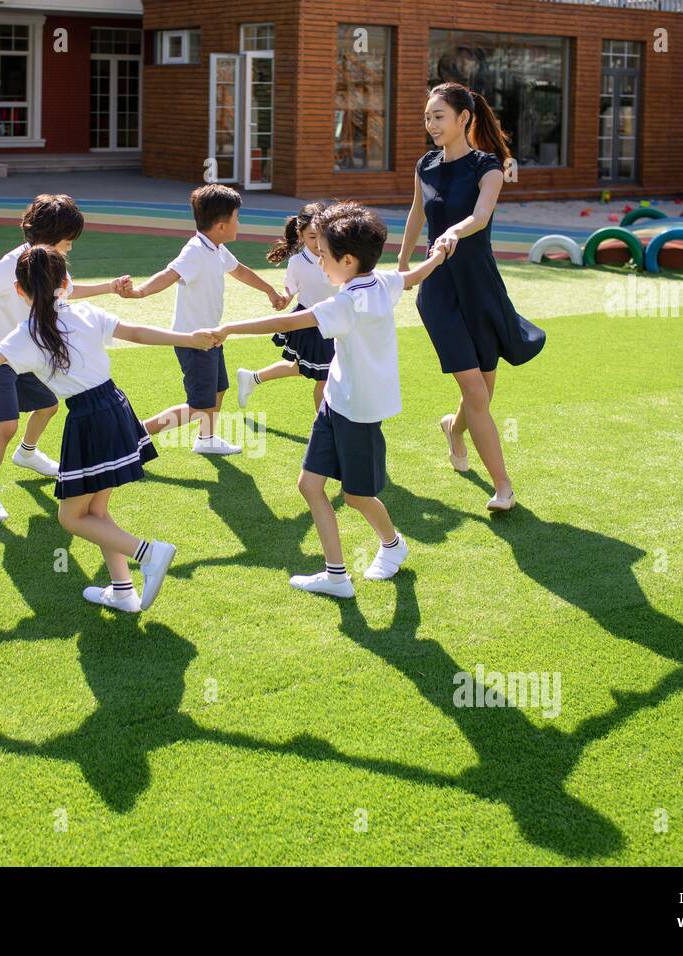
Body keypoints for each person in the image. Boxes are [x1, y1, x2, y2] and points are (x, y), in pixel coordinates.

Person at [0, 245, 218, 613]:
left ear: (19, 290)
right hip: (115, 405)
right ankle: (123, 591)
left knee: (70, 516)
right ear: (66, 283)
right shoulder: (85, 314)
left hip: (89, 421)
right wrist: (189, 339)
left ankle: (149, 553)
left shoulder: (25, 335)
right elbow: (138, 332)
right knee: (95, 510)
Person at [211, 202, 446, 598]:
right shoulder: (384, 282)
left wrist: (230, 327)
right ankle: (336, 575)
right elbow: (415, 275)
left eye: (324, 257)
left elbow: (286, 321)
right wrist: (439, 253)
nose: (320, 264)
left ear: (349, 260)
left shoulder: (346, 303)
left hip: (359, 409)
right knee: (310, 485)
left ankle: (393, 545)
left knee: (356, 496)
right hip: (336, 401)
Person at [0, 194, 128, 520]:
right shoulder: (18, 262)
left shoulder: (51, 264)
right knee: (6, 425)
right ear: (51, 236)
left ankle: (27, 453)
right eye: (68, 240)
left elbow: (69, 291)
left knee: (49, 405)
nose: (71, 247)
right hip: (2, 355)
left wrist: (110, 287)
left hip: (33, 353)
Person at [398, 81, 545, 511]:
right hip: (439, 291)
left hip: (481, 287)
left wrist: (453, 231)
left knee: (482, 391)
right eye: (427, 117)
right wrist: (404, 263)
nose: (431, 124)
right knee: (476, 392)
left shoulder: (490, 167)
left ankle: (453, 428)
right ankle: (504, 488)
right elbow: (415, 213)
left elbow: (480, 217)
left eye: (438, 116)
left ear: (464, 118)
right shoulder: (424, 165)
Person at [119, 184, 287, 455]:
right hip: (193, 341)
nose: (239, 224)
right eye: (236, 218)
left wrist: (269, 290)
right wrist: (138, 292)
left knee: (219, 388)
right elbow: (169, 273)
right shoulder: (195, 250)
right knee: (198, 405)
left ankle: (206, 439)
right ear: (221, 226)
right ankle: (136, 430)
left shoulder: (216, 248)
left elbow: (240, 271)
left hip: (212, 337)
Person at [236, 200, 337, 412]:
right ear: (300, 235)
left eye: (323, 234)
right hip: (310, 323)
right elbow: (289, 290)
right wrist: (282, 299)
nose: (318, 242)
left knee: (301, 367)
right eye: (312, 236)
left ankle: (252, 378)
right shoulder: (298, 262)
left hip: (338, 320)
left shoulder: (339, 254)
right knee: (326, 376)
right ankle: (324, 427)